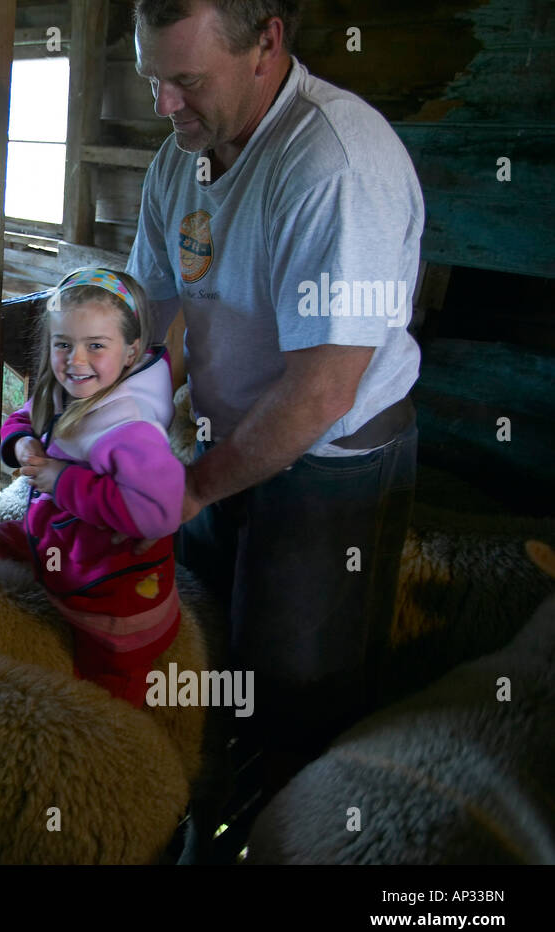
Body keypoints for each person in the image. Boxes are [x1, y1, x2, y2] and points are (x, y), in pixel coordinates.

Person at [125, 0, 423, 782]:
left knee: (292, 689)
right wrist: (109, 424)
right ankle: (208, 804)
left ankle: (295, 824)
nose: (164, 105)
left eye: (186, 79)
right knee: (205, 636)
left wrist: (190, 490)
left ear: (266, 45)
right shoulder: (177, 162)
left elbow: (324, 390)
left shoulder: (333, 166)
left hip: (330, 457)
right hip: (228, 435)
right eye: (150, 79)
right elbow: (153, 322)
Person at [0, 267, 186, 708]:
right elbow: (27, 415)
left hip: (109, 577)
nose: (75, 360)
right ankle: (29, 619)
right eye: (64, 345)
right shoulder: (68, 389)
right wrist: (21, 443)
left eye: (95, 346)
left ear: (131, 352)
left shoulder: (128, 426)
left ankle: (119, 735)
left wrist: (61, 479)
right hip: (61, 539)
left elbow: (159, 512)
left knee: (108, 675)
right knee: (4, 538)